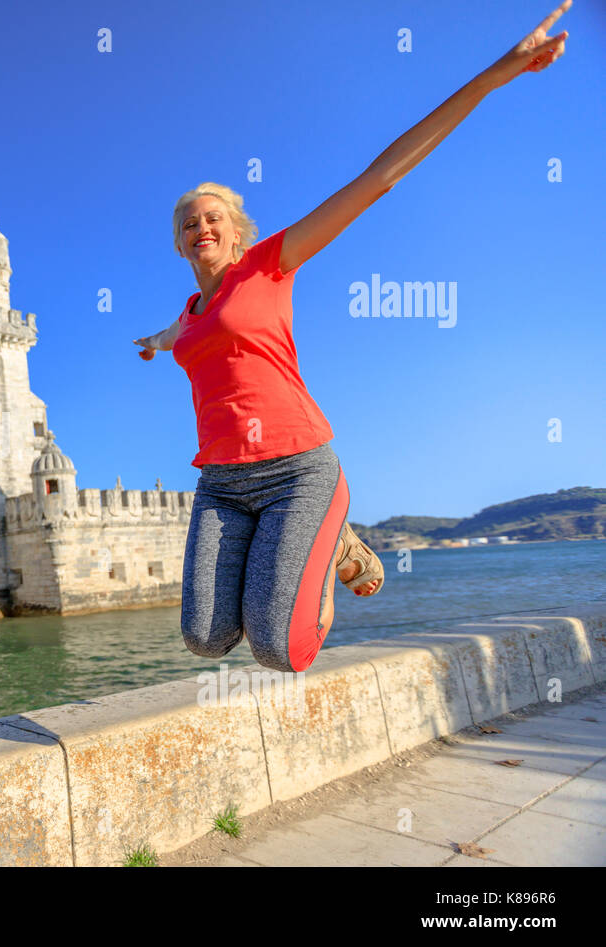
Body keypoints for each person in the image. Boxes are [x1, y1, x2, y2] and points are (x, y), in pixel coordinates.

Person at [132, 3, 570, 672]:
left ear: (237, 230)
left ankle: (329, 533)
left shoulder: (269, 264)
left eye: (214, 216)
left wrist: (497, 74)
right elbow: (176, 333)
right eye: (190, 222)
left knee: (281, 649)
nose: (202, 227)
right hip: (221, 482)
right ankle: (322, 549)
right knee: (205, 638)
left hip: (297, 468)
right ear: (178, 242)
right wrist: (155, 342)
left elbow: (380, 176)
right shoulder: (189, 314)